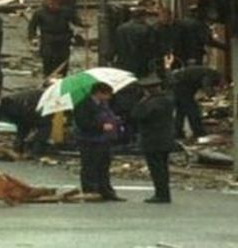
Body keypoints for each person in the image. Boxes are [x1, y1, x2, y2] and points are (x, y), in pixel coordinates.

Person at [73, 82, 123, 201]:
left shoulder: (104, 104)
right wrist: (101, 126)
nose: (109, 97)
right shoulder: (83, 105)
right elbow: (83, 123)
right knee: (90, 166)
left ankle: (105, 191)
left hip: (104, 139)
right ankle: (90, 190)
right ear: (99, 93)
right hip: (89, 140)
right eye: (107, 94)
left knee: (104, 166)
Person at [131, 75, 176, 204]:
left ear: (147, 90)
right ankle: (164, 193)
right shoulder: (167, 99)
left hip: (152, 140)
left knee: (157, 169)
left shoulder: (150, 103)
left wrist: (141, 102)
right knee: (163, 168)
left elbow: (137, 115)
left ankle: (161, 194)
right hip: (165, 139)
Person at [28, 0, 87, 78]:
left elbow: (75, 21)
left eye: (55, 4)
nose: (52, 6)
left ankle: (62, 76)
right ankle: (48, 76)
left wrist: (83, 24)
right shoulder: (39, 13)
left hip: (63, 39)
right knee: (48, 59)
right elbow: (32, 26)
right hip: (48, 39)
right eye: (50, 4)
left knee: (62, 60)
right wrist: (32, 37)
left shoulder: (66, 11)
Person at [169, 65, 222, 139]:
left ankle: (178, 132)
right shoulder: (211, 75)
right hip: (182, 85)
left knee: (181, 110)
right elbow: (206, 85)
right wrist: (211, 95)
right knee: (192, 110)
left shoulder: (209, 73)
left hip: (179, 83)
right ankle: (198, 131)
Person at [0, 88, 51, 157]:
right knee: (45, 126)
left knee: (23, 126)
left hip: (13, 105)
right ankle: (36, 151)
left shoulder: (37, 92)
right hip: (23, 107)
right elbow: (45, 115)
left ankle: (18, 147)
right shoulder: (49, 97)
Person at [114, 9, 158, 77]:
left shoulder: (120, 28)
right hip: (141, 63)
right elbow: (152, 47)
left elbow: (116, 45)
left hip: (123, 62)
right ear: (143, 17)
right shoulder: (147, 29)